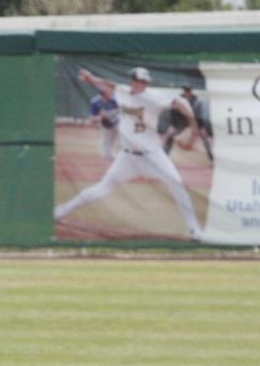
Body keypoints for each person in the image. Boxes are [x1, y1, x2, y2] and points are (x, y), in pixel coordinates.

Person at [54, 66, 205, 241]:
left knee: (177, 184)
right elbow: (109, 86)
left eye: (144, 82)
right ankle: (61, 211)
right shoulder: (123, 92)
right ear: (132, 81)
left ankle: (194, 230)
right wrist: (91, 79)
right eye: (138, 81)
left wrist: (193, 126)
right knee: (102, 188)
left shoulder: (153, 96)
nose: (140, 84)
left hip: (152, 156)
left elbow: (181, 103)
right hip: (127, 158)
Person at [90, 82, 121, 160]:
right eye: (108, 90)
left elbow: (123, 111)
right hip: (105, 124)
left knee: (122, 138)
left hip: (117, 122)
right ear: (103, 93)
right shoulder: (95, 102)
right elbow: (92, 119)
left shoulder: (115, 100)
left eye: (110, 90)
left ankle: (121, 156)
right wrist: (101, 117)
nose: (111, 92)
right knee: (107, 140)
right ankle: (107, 156)